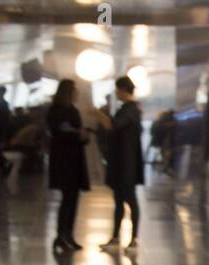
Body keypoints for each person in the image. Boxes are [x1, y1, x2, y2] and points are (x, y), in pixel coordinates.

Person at [97, 76, 144, 250]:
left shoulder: (130, 110)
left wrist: (96, 113)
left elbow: (112, 125)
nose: (116, 93)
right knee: (119, 200)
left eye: (118, 90)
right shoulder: (130, 109)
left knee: (129, 199)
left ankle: (133, 239)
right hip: (122, 162)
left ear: (124, 89)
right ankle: (116, 237)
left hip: (126, 163)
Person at [46, 79, 90, 253]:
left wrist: (82, 135)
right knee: (67, 198)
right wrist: (76, 134)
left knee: (72, 198)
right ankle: (62, 235)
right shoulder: (56, 111)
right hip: (64, 160)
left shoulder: (72, 110)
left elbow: (77, 133)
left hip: (74, 158)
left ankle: (67, 234)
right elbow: (58, 132)